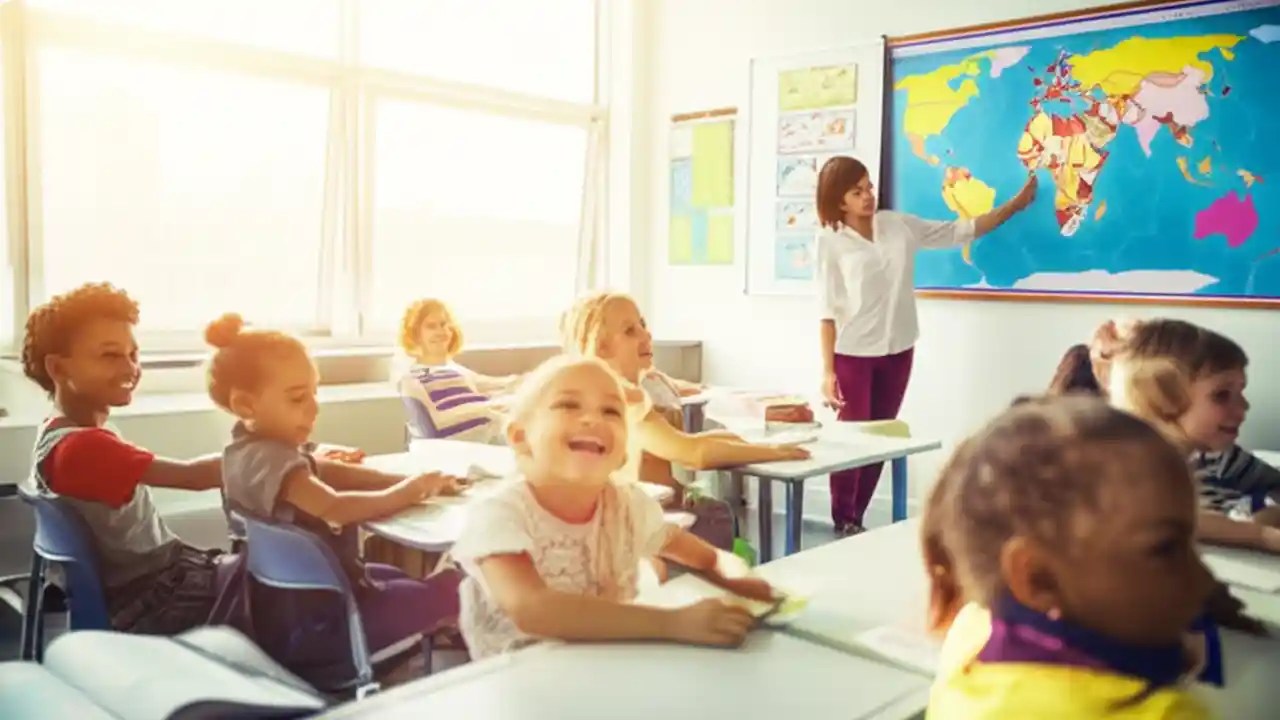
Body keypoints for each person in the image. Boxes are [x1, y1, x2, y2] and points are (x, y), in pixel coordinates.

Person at [450, 355, 777, 658]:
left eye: (611, 411)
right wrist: (673, 623)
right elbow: (533, 608)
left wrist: (738, 581)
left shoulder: (628, 506)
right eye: (568, 404)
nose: (592, 418)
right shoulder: (499, 514)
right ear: (521, 437)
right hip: (518, 680)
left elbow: (697, 553)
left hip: (608, 660)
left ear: (622, 451)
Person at [204, 312, 464, 680]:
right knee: (459, 587)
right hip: (330, 627)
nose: (313, 407)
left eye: (314, 392)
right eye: (297, 398)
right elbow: (334, 509)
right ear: (247, 406)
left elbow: (325, 472)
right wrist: (409, 490)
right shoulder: (275, 460)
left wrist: (402, 478)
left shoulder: (245, 452)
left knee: (397, 575)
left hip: (290, 616)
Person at [925, 397, 1216, 718]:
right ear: (1038, 578)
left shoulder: (970, 634)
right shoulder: (1166, 714)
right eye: (1165, 549)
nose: (1203, 580)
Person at [815, 155, 1037, 536]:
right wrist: (827, 370)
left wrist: (1014, 207)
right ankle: (843, 517)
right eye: (857, 192)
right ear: (839, 201)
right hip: (854, 352)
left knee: (880, 439)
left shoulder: (897, 225)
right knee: (853, 441)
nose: (869, 196)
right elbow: (826, 309)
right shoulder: (830, 242)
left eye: (869, 187)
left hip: (899, 347)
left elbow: (959, 231)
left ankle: (857, 519)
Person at [21, 283, 231, 634]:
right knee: (281, 586)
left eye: (133, 354)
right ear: (58, 369)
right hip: (155, 599)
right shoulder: (83, 448)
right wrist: (290, 456)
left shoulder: (56, 434)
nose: (130, 367)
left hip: (157, 584)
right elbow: (196, 477)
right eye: (109, 355)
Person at [1091, 318, 1280, 551]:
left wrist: (1268, 512)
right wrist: (1260, 535)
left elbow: (1273, 481)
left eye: (1240, 392)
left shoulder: (1217, 456)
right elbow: (1170, 514)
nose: (1244, 406)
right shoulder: (1130, 462)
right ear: (1163, 401)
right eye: (1222, 395)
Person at [394, 298, 516, 444]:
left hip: (489, 434)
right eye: (431, 326)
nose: (441, 331)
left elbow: (503, 384)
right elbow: (434, 424)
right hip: (458, 444)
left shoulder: (457, 370)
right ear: (415, 335)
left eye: (444, 324)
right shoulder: (416, 375)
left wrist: (527, 381)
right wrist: (484, 409)